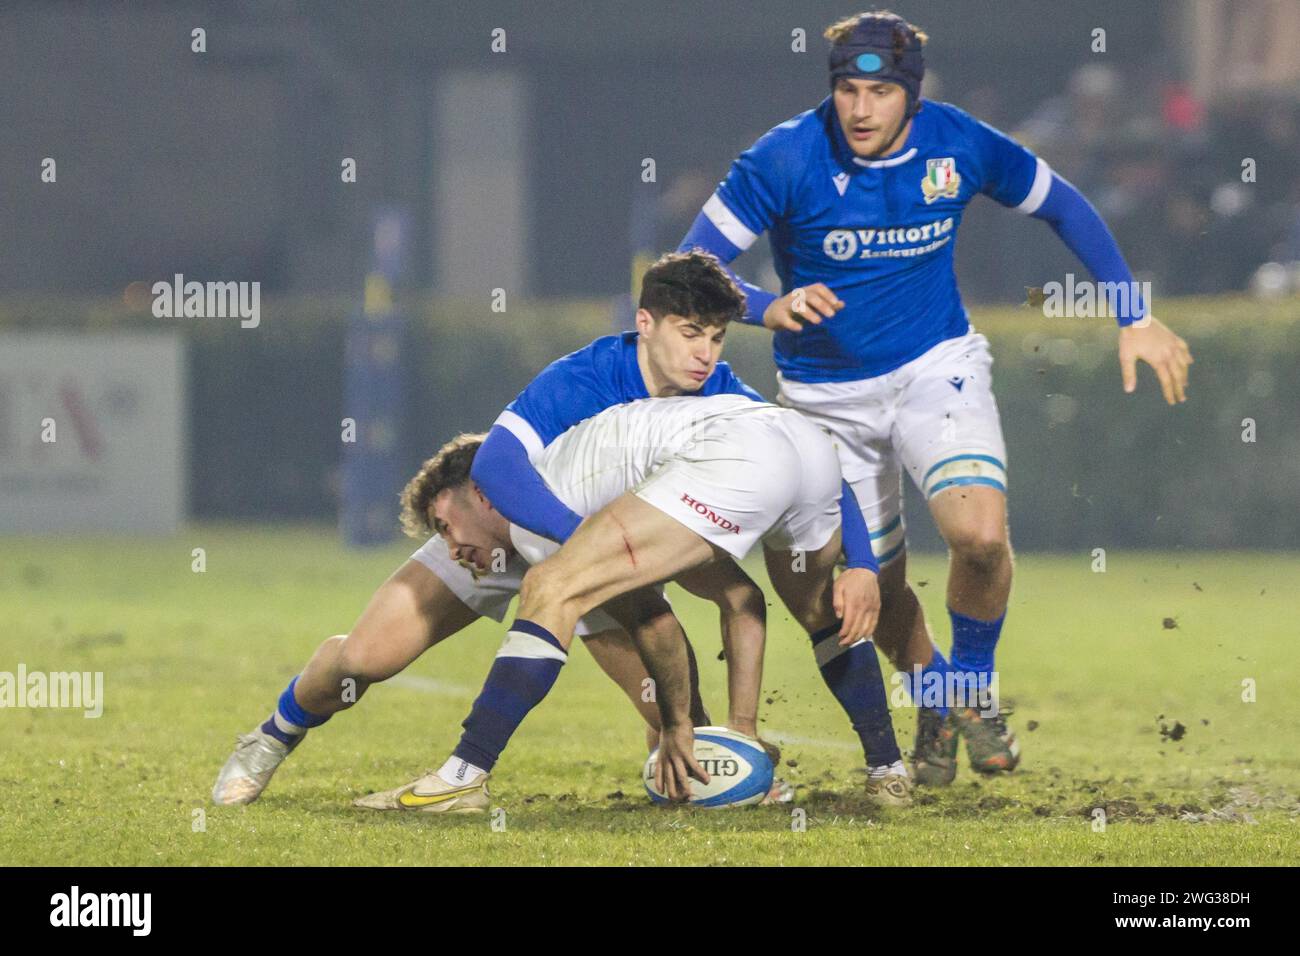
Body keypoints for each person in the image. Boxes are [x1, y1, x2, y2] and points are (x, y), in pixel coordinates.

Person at [676, 10, 1194, 784]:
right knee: (865, 591)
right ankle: (938, 691)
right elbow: (689, 267)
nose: (859, 109)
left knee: (980, 538)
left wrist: (1134, 312)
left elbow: (1063, 204)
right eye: (848, 89)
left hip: (934, 368)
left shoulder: (959, 143)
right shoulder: (784, 157)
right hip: (823, 399)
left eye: (879, 93)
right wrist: (763, 306)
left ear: (911, 99)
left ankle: (971, 693)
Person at [353, 393, 909, 811]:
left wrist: (676, 727)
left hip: (738, 455)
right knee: (817, 613)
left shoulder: (538, 516)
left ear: (479, 492)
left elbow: (652, 618)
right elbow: (741, 598)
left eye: (445, 526)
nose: (452, 548)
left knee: (547, 588)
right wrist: (740, 732)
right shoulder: (618, 481)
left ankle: (462, 776)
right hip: (803, 447)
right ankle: (888, 770)